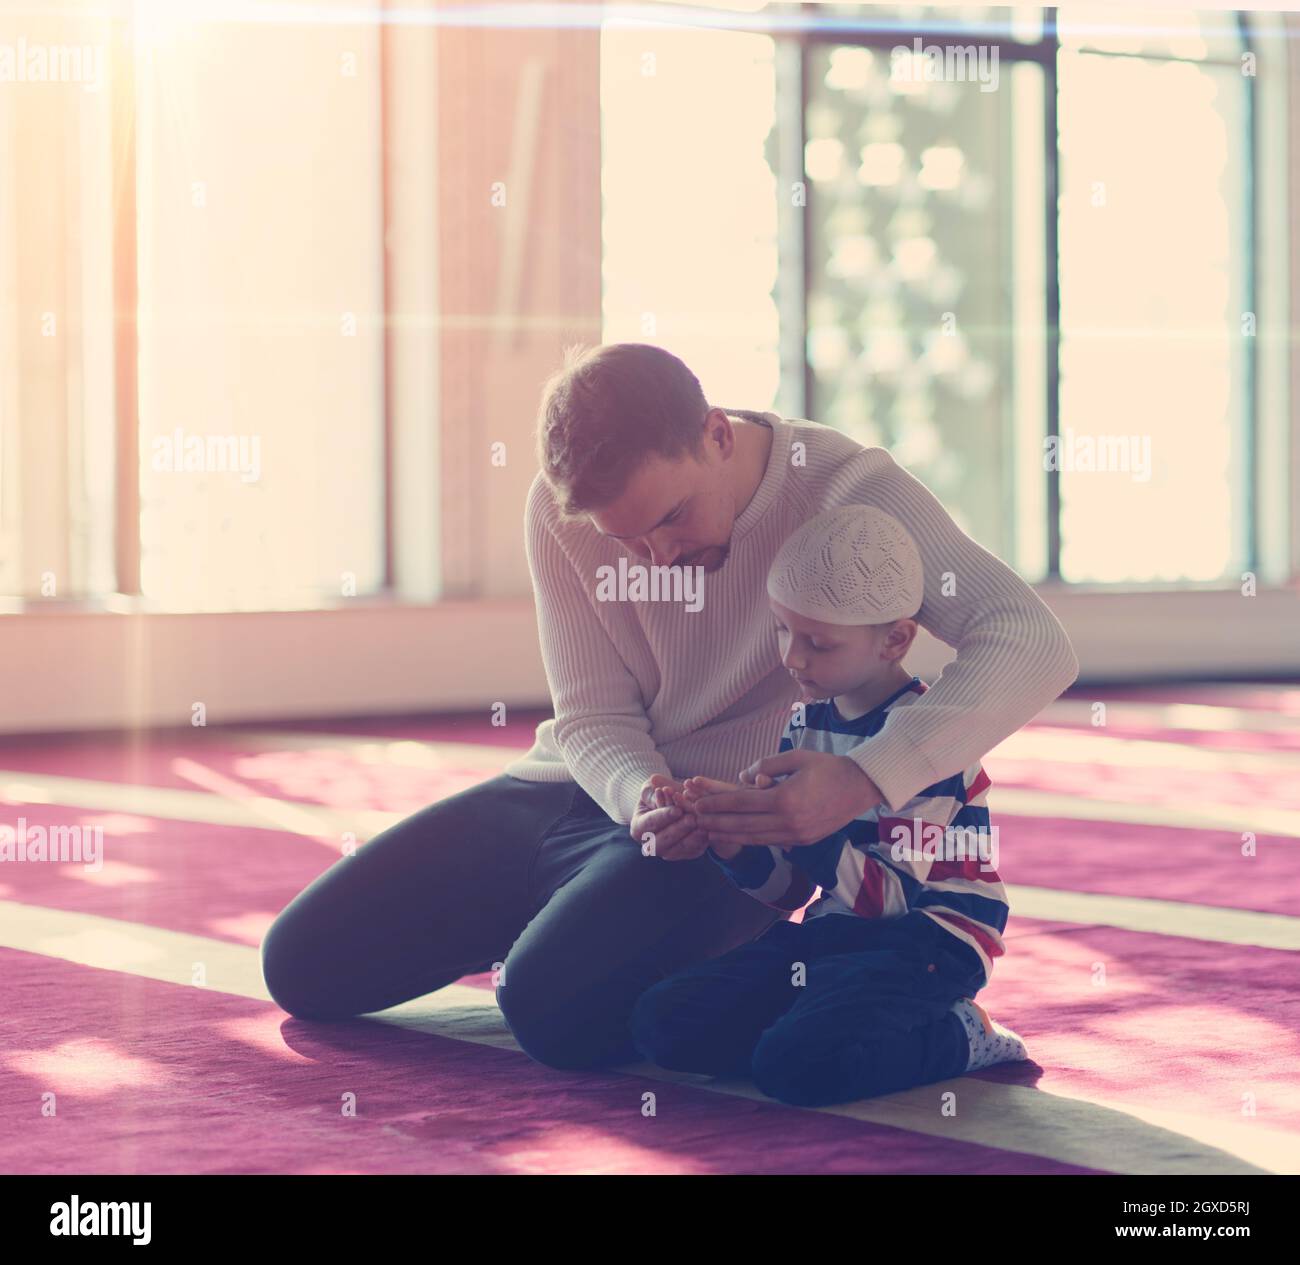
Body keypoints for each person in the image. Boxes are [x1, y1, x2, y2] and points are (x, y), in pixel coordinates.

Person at [260, 342, 1078, 1071]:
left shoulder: (843, 488)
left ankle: (873, 997)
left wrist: (863, 778)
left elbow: (1029, 638)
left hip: (729, 832)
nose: (658, 556)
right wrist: (639, 796)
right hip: (588, 793)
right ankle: (589, 920)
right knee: (303, 965)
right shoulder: (559, 509)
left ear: (716, 435)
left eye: (672, 517)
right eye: (628, 541)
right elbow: (590, 715)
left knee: (554, 1017)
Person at [629, 505, 1028, 1107]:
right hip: (838, 931)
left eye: (817, 642)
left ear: (894, 639)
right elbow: (789, 891)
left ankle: (962, 1033)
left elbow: (891, 901)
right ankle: (818, 1020)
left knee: (801, 1070)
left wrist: (801, 828)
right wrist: (734, 838)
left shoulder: (928, 739)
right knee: (665, 1023)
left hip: (927, 942)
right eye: (783, 631)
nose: (792, 658)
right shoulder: (806, 720)